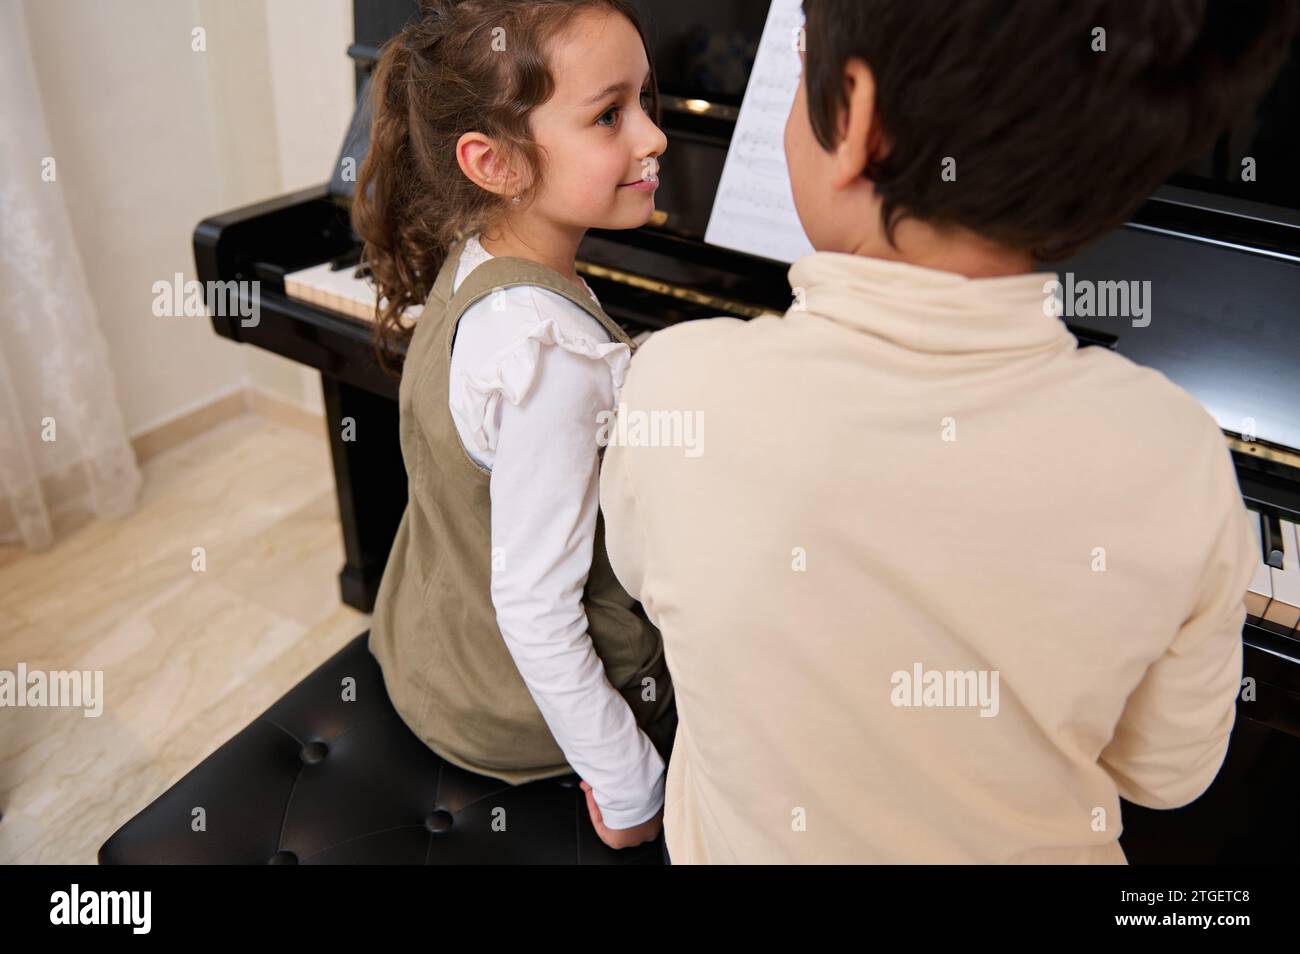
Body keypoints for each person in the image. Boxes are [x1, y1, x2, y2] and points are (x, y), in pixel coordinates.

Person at [599, 0, 1297, 862]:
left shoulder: (675, 386)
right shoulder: (1178, 455)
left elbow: (648, 579)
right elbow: (1168, 773)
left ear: (851, 121)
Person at [354, 0, 674, 851]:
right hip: (513, 720)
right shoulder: (552, 354)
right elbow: (537, 609)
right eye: (610, 114)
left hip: (425, 655)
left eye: (648, 100)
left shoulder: (479, 256)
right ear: (492, 163)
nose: (653, 138)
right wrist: (630, 784)